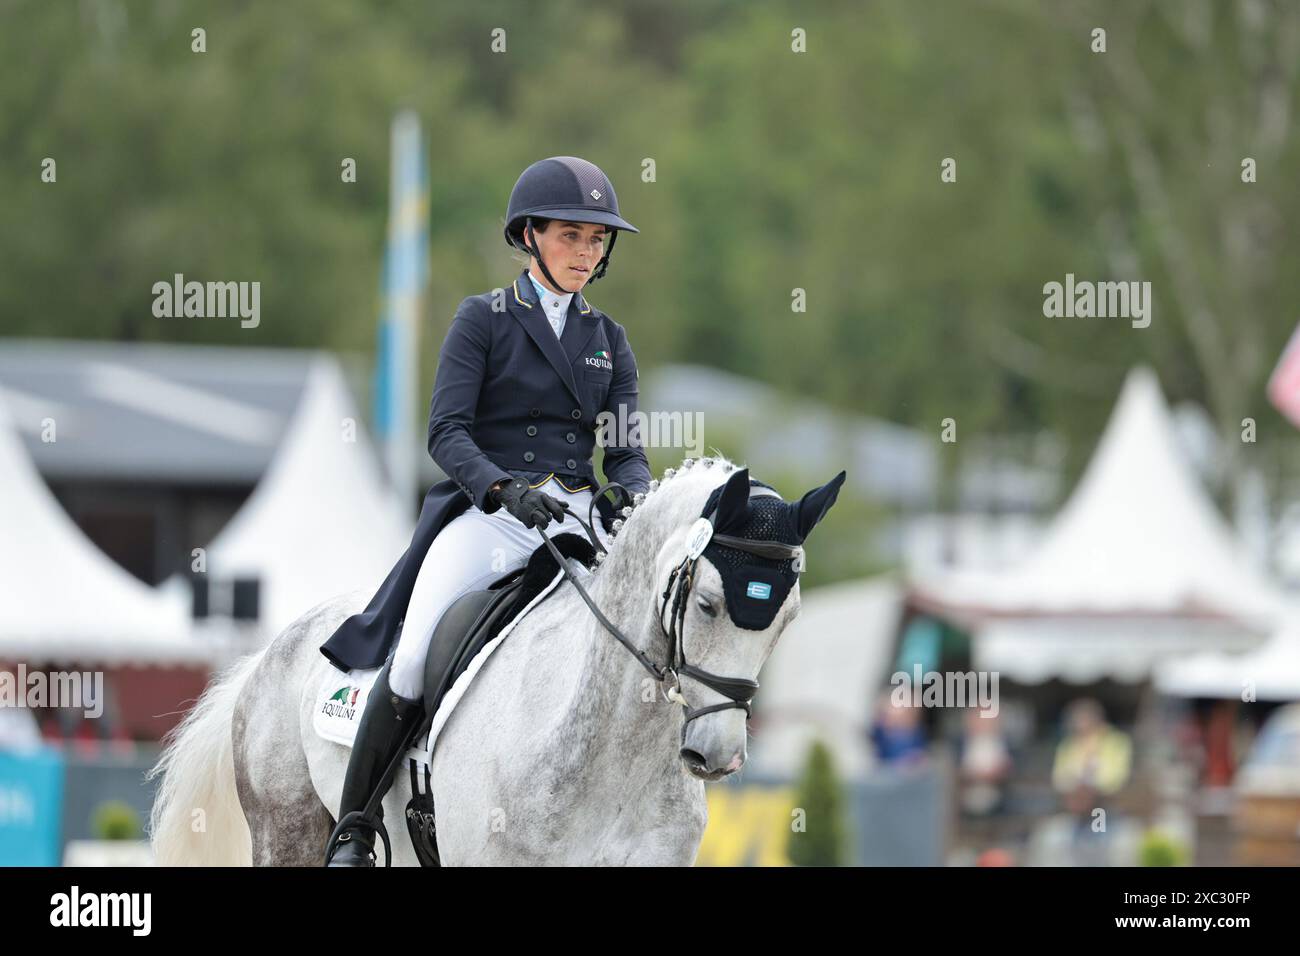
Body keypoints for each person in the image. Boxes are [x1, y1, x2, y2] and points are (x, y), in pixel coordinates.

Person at [320, 157, 652, 865]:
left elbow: (622, 451)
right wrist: (504, 490)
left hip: (578, 519)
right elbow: (445, 432)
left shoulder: (608, 340)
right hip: (492, 517)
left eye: (598, 241)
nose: (587, 254)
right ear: (528, 236)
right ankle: (355, 827)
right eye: (572, 236)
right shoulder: (483, 320)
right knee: (411, 658)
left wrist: (639, 500)